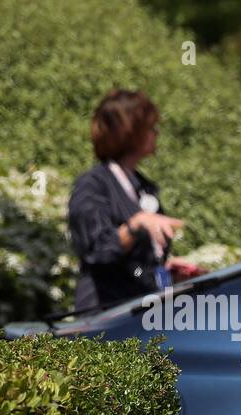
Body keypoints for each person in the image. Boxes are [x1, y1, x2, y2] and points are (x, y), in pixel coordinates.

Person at [67, 89, 200, 312]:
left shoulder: (143, 187)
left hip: (144, 313)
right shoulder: (92, 185)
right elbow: (96, 250)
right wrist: (136, 224)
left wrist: (165, 271)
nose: (156, 133)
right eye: (150, 128)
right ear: (130, 131)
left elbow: (134, 264)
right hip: (105, 316)